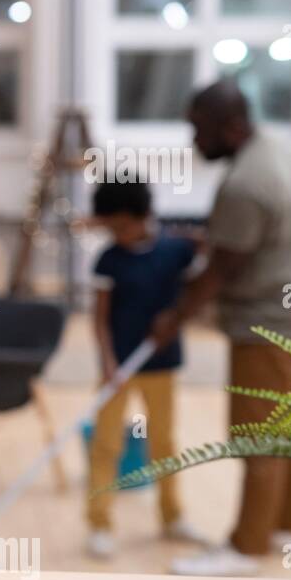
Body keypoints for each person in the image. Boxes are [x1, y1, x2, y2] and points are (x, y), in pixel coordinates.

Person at [152, 80, 291, 576]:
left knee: (259, 435)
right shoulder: (276, 151)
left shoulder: (244, 184)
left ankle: (247, 548)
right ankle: (288, 526)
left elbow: (221, 270)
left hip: (266, 327)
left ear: (231, 126)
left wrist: (174, 318)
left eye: (200, 130)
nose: (194, 141)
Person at [85, 177, 206, 559]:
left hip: (161, 365)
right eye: (110, 228)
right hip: (118, 366)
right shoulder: (109, 260)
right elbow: (100, 318)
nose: (117, 235)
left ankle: (172, 517)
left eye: (122, 226)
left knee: (165, 442)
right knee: (107, 443)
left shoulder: (174, 251)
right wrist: (107, 363)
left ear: (144, 216)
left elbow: (208, 267)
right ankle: (99, 523)